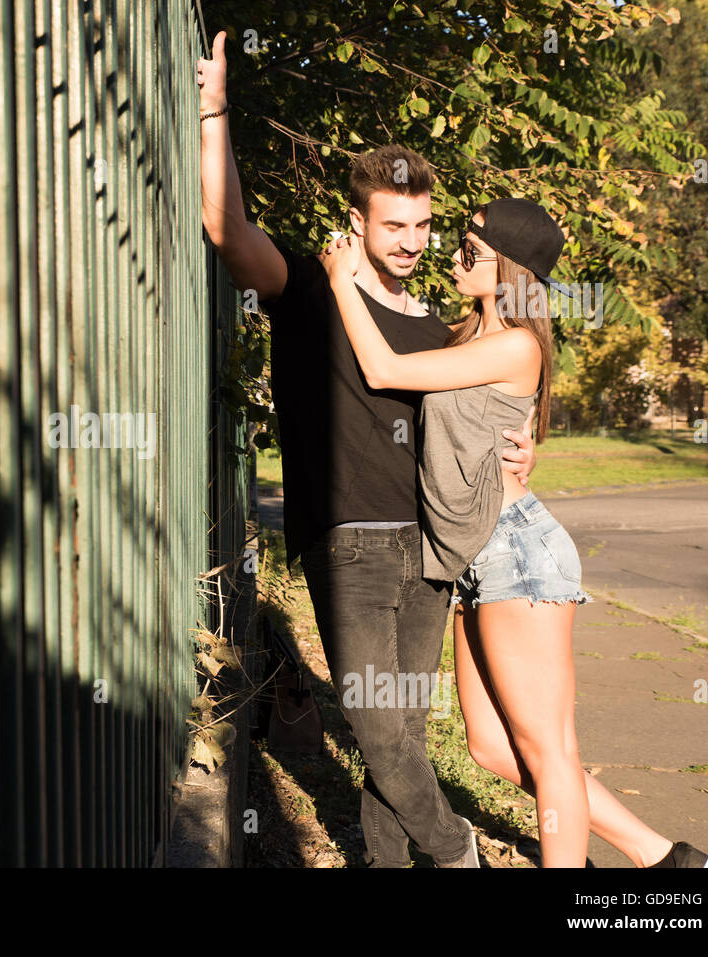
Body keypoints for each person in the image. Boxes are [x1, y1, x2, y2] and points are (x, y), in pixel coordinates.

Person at [198, 30, 535, 867]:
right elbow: (226, 228)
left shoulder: (440, 327)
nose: (412, 241)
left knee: (405, 734)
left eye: (423, 225)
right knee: (376, 725)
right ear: (358, 221)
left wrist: (516, 452)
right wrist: (214, 112)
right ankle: (458, 851)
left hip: (428, 545)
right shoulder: (312, 289)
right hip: (348, 541)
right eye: (395, 225)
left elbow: (490, 403)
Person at [317, 199, 708, 869]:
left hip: (516, 553)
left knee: (549, 748)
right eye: (457, 243)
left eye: (470, 251)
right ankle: (663, 858)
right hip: (474, 561)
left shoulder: (515, 344)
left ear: (509, 270)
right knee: (491, 748)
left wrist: (339, 279)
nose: (453, 257)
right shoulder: (462, 334)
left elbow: (384, 369)